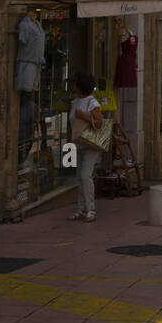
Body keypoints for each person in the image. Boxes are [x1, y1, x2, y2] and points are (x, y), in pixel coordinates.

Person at [68, 72, 103, 222]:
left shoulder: (92, 102)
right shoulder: (74, 102)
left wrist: (83, 116)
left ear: (80, 86)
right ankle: (81, 209)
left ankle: (91, 209)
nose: (73, 85)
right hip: (79, 143)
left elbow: (99, 123)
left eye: (75, 82)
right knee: (79, 177)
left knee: (85, 175)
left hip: (90, 144)